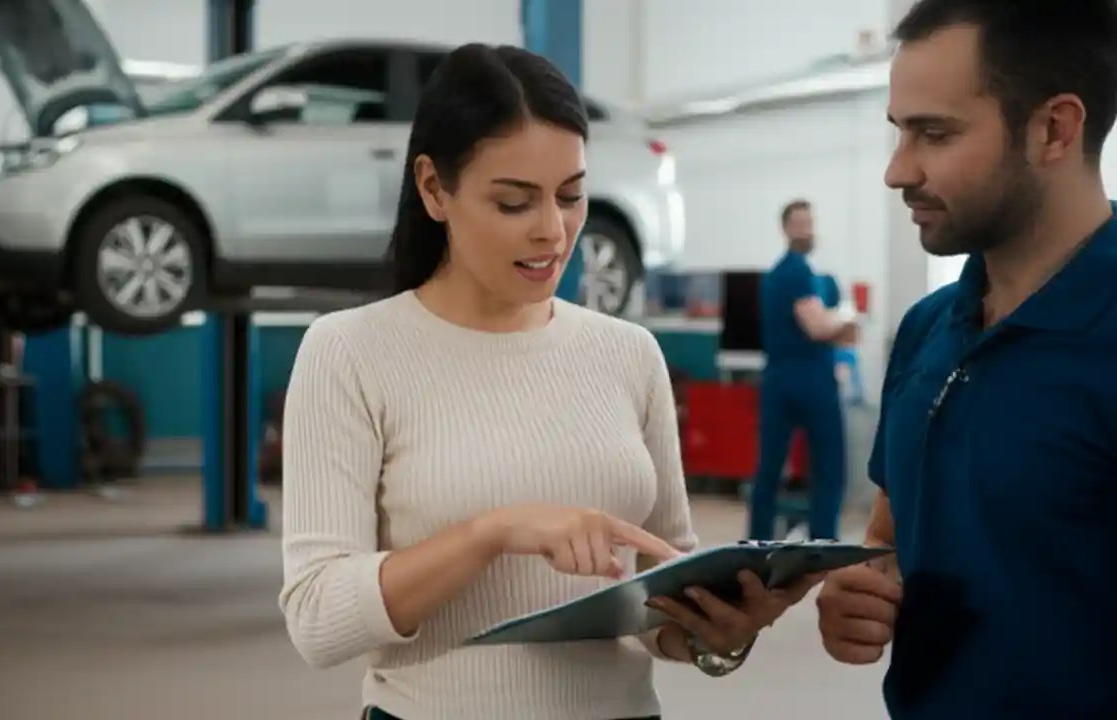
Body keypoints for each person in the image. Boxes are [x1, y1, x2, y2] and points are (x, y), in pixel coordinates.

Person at [278, 43, 820, 720]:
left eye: (571, 196)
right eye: (514, 203)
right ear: (433, 188)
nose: (553, 232)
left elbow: (658, 598)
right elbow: (318, 618)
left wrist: (716, 631)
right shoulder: (351, 353)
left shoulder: (628, 354)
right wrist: (492, 533)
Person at [816, 1, 1117, 717]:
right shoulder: (927, 329)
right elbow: (888, 536)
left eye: (934, 134)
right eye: (899, 131)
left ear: (1055, 129)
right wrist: (863, 591)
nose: (897, 170)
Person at [750, 201, 857, 541]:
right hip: (808, 380)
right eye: (799, 223)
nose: (806, 230)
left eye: (809, 222)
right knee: (829, 468)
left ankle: (757, 544)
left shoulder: (791, 276)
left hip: (780, 379)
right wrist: (847, 319)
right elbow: (819, 328)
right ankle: (823, 545)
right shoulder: (795, 271)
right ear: (785, 228)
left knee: (769, 471)